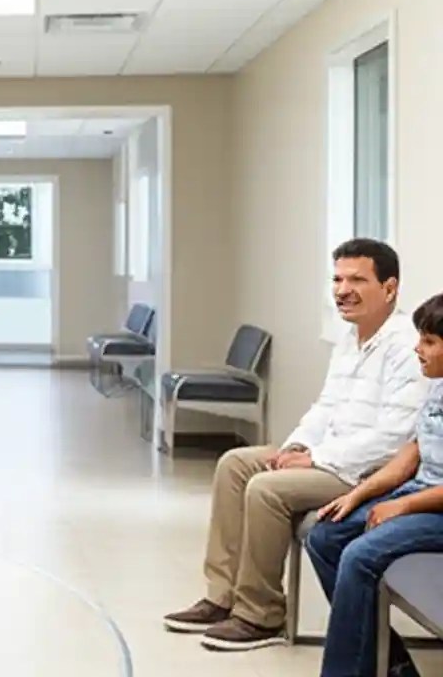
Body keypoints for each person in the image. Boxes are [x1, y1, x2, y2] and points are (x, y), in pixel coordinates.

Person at [162, 238, 430, 651]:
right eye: (337, 279)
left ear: (390, 288)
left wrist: (314, 459)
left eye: (357, 279)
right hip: (328, 457)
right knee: (236, 464)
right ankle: (222, 596)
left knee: (267, 489)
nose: (342, 290)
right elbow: (325, 406)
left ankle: (260, 615)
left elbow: (394, 435)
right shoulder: (351, 338)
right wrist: (296, 446)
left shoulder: (405, 346)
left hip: (367, 472)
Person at [305, 292, 443, 677]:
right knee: (324, 537)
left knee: (360, 556)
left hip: (436, 510)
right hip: (420, 494)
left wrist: (402, 507)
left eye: (430, 341)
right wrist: (359, 494)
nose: (418, 349)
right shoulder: (438, 384)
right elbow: (410, 455)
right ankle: (390, 661)